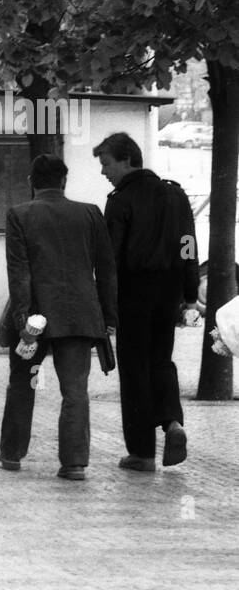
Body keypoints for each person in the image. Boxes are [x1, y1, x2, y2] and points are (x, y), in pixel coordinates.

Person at [0, 155, 117, 480]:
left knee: (23, 383)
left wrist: (23, 323)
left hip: (36, 315)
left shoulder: (19, 215)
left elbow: (18, 273)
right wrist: (108, 316)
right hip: (81, 315)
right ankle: (74, 462)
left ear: (31, 181)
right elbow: (106, 269)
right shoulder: (90, 213)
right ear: (64, 181)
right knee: (75, 389)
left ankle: (12, 453)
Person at [97, 132, 199, 471]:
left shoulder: (120, 200)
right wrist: (187, 294)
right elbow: (188, 244)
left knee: (135, 368)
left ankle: (142, 452)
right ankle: (173, 422)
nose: (103, 172)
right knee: (161, 359)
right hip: (169, 290)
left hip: (133, 291)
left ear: (127, 160)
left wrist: (105, 305)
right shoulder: (176, 195)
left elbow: (110, 258)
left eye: (106, 163)